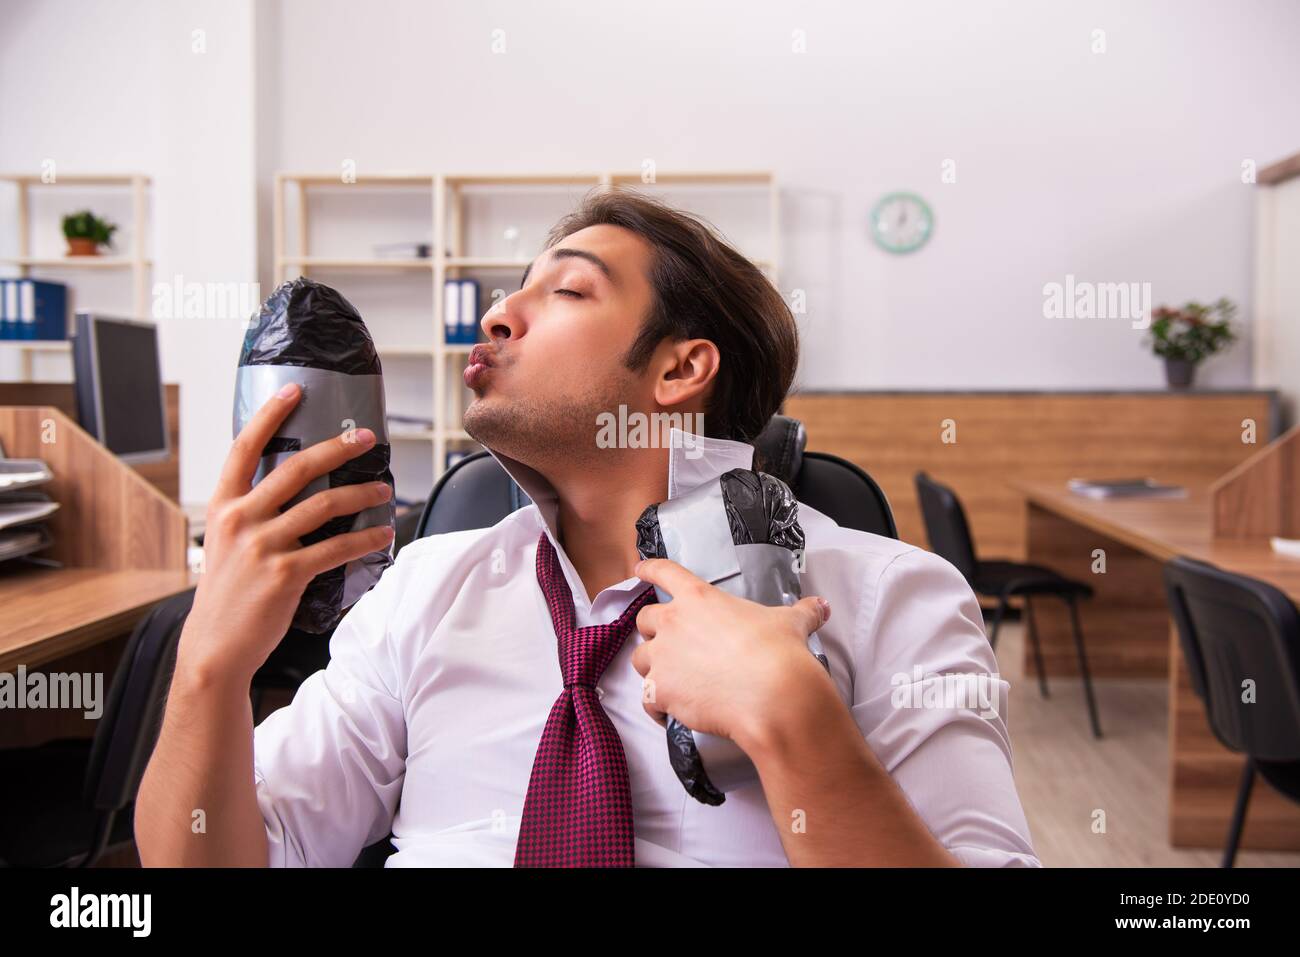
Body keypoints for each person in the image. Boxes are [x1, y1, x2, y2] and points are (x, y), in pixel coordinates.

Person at [135, 188, 1039, 867]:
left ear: (682, 368)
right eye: (514, 291)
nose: (497, 312)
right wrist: (210, 665)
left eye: (567, 290)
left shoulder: (891, 598)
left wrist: (797, 723)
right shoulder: (424, 586)